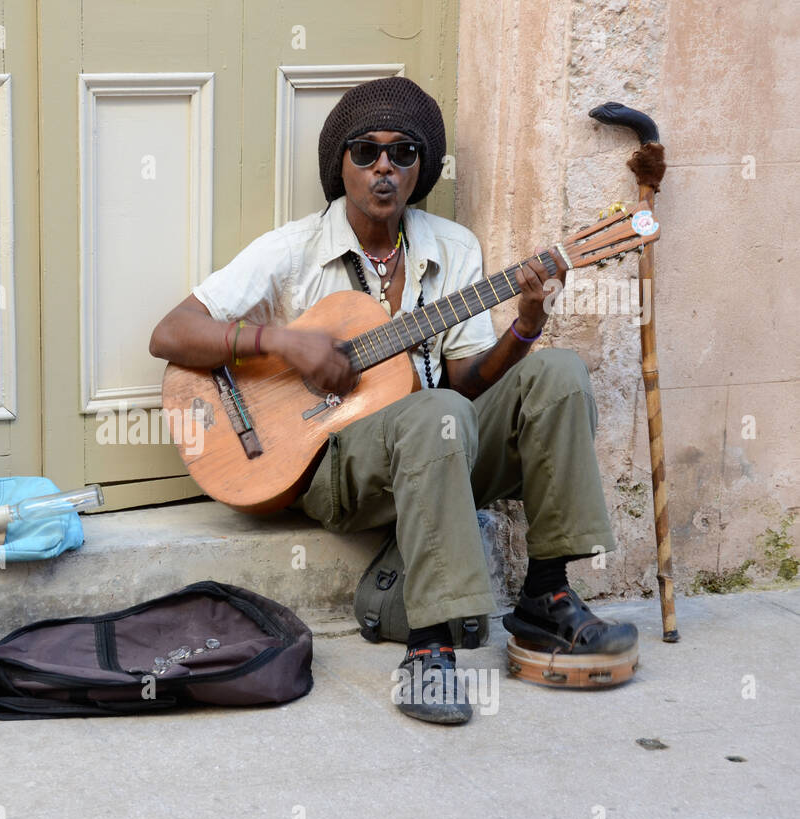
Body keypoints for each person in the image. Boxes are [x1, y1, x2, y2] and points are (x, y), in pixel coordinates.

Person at [149, 77, 637, 724]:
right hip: (331, 467)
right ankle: (429, 646)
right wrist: (284, 343)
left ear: (421, 169)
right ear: (341, 165)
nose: (383, 166)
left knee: (558, 373)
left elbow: (465, 385)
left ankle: (545, 598)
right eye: (365, 151)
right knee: (438, 415)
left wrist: (524, 323)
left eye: (403, 153)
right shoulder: (294, 250)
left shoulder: (452, 248)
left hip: (441, 443)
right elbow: (171, 333)